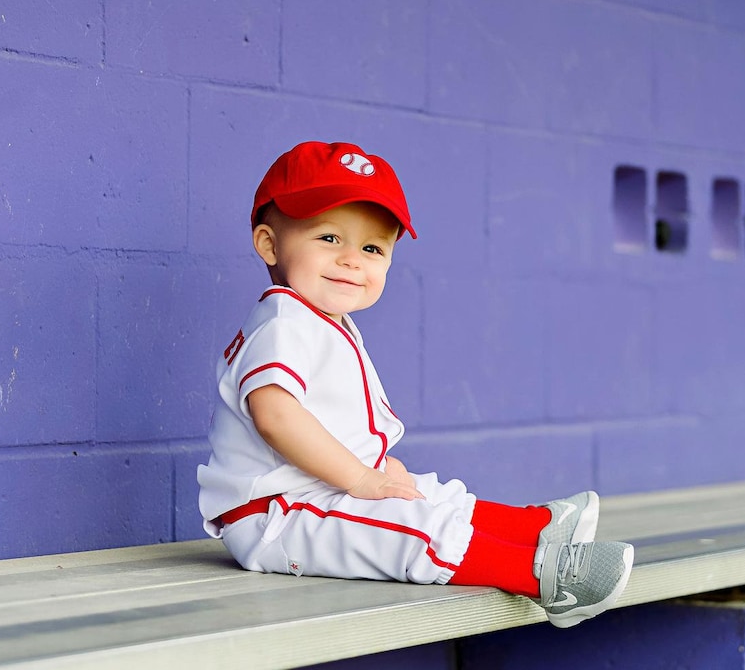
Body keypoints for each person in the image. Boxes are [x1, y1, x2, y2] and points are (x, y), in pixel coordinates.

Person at [197, 140, 633, 628]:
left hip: (310, 495)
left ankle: (532, 529)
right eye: (328, 238)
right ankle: (544, 576)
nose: (350, 261)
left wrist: (375, 467)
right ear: (269, 244)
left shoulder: (319, 321)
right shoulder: (283, 320)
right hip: (276, 516)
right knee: (409, 526)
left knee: (421, 493)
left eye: (371, 248)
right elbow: (276, 417)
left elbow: (329, 422)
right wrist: (362, 478)